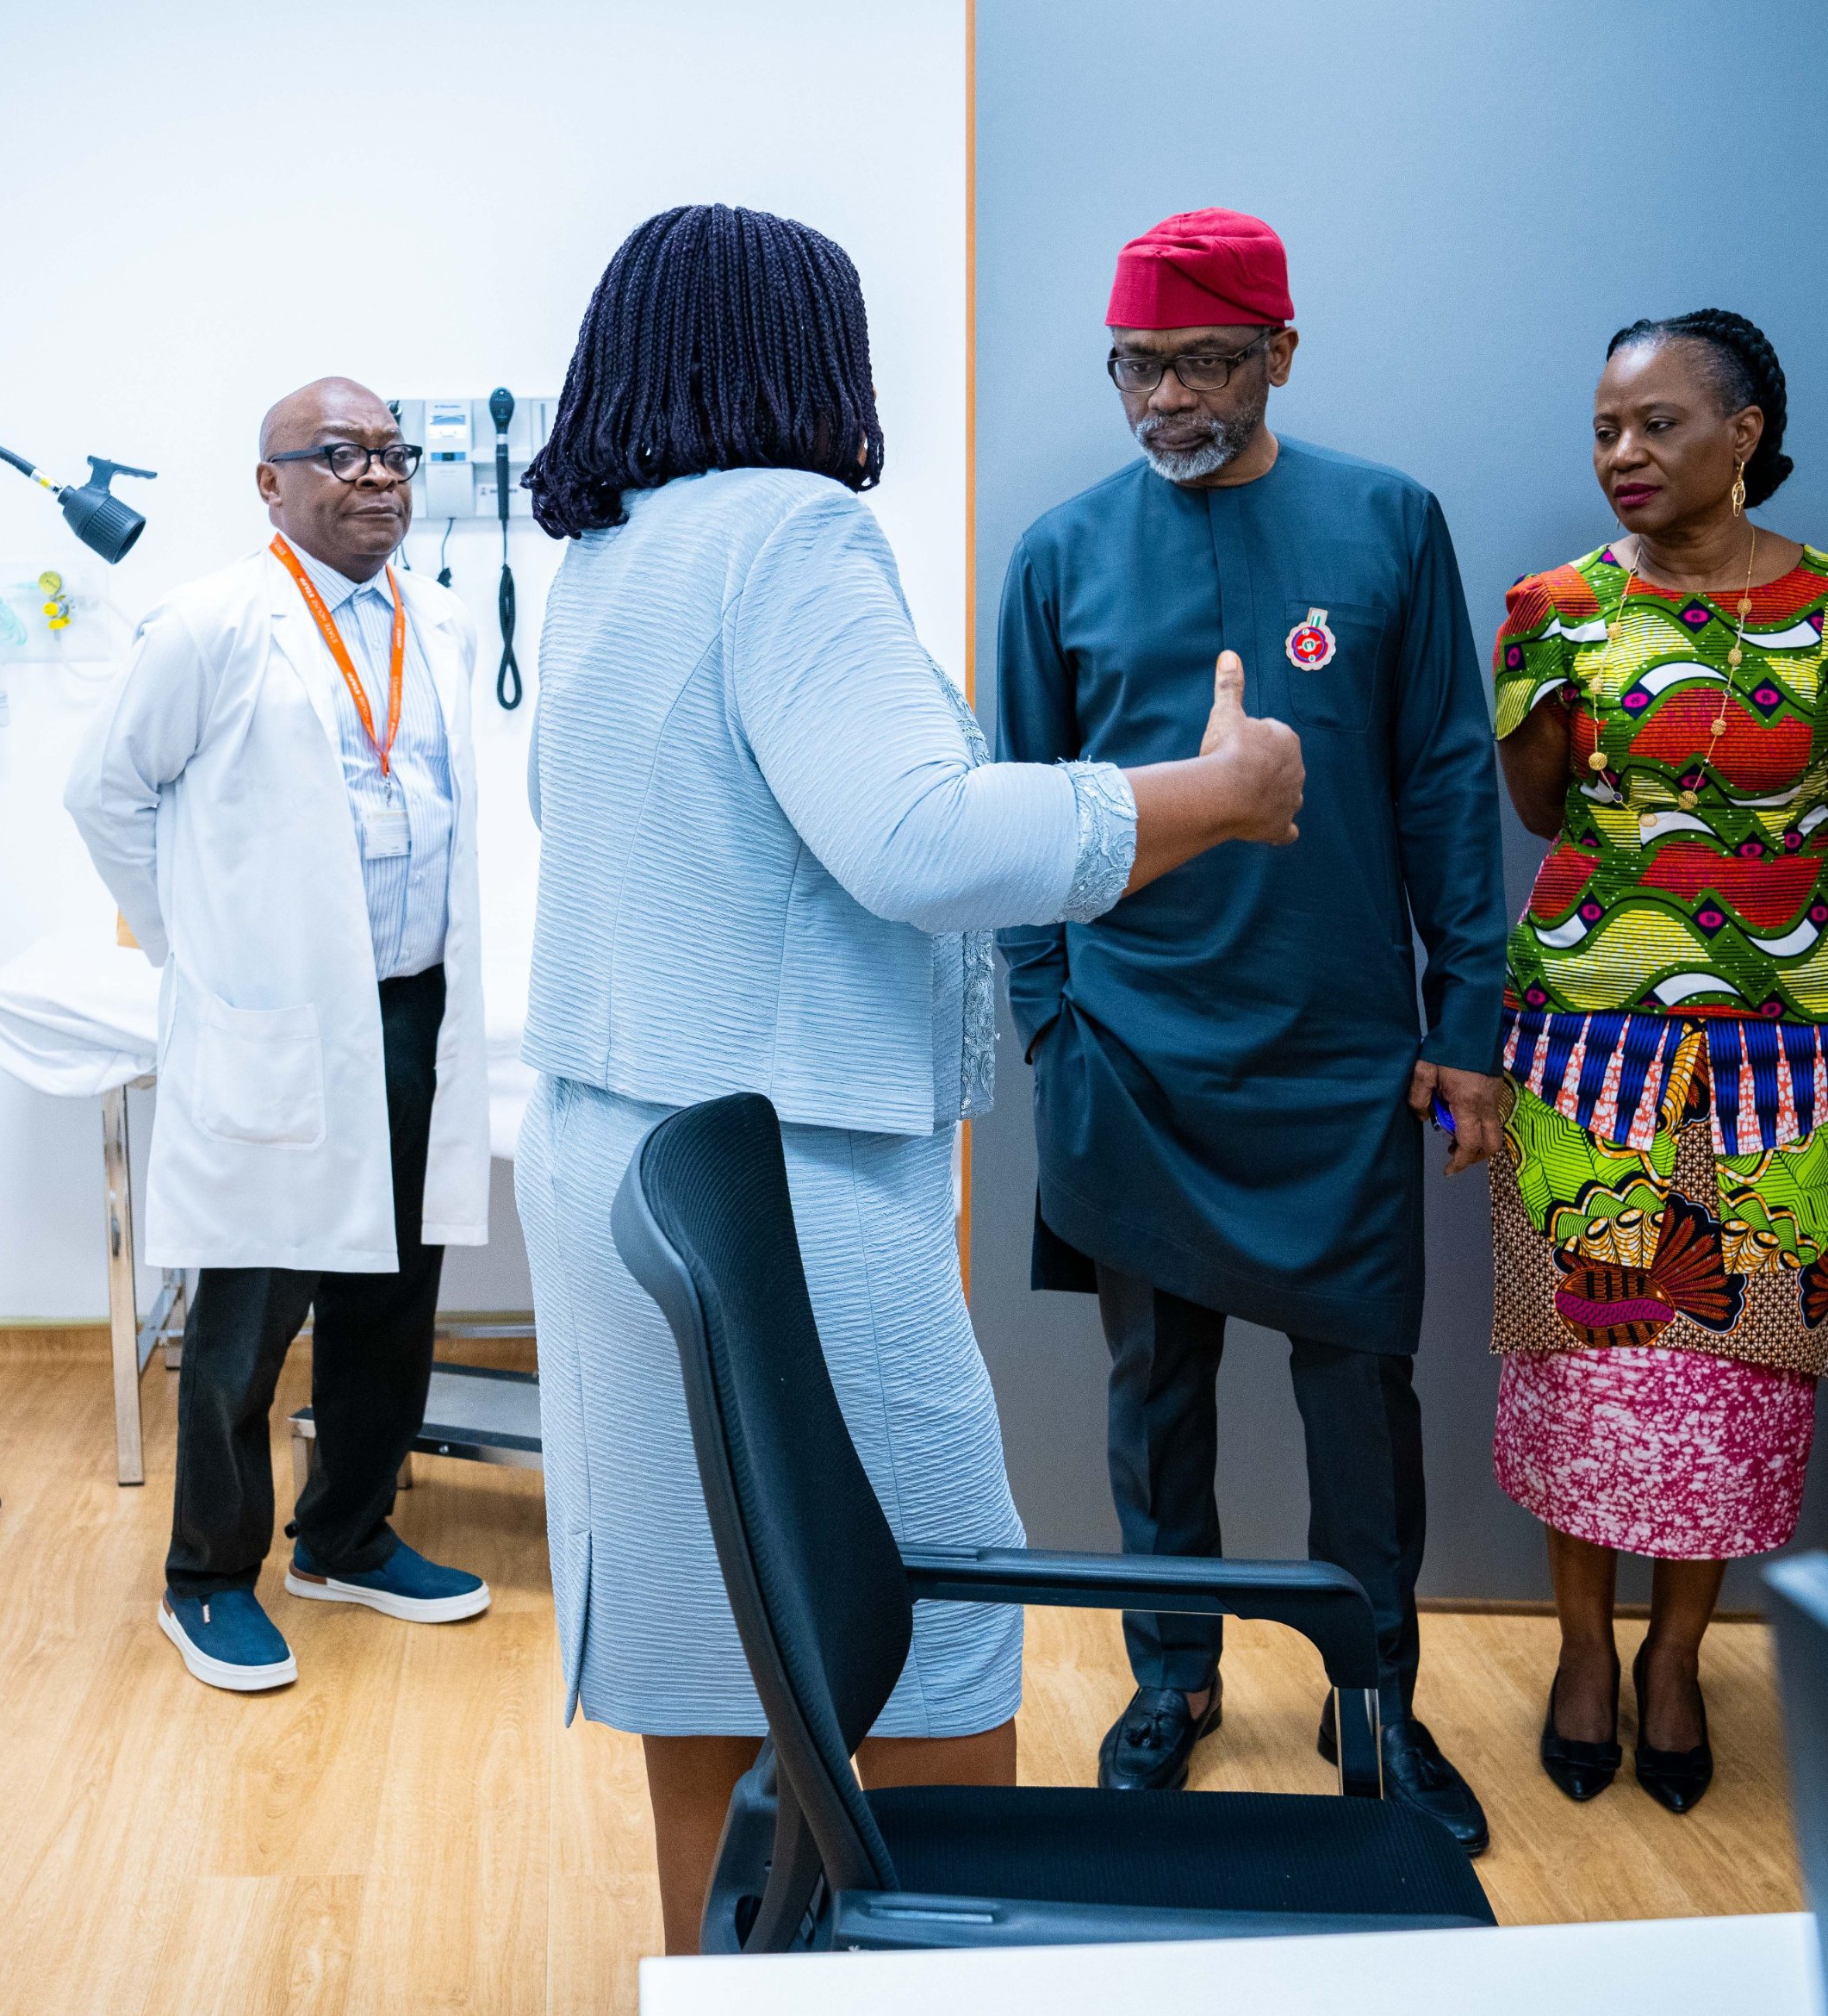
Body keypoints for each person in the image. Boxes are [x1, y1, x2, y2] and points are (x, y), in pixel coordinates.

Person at [514, 202, 1305, 1955]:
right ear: (807, 352)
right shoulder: (793, 532)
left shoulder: (611, 556)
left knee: (709, 1631)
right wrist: (1214, 796)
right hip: (787, 1188)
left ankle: (723, 1986)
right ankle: (951, 1982)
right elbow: (920, 839)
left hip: (626, 1172)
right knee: (930, 1622)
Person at [989, 208, 1507, 1851]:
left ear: (1281, 351)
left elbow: (1443, 778)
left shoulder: (1387, 524)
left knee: (1366, 1404)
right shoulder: (1061, 554)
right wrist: (1051, 1025)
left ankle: (1378, 1707)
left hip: (1340, 1051)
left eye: (1202, 361)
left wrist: (1469, 1020)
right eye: (1136, 365)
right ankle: (1173, 1681)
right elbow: (1019, 810)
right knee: (1156, 1401)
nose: (1162, 400)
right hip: (1132, 1052)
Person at [66, 376, 494, 1693]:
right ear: (271, 484)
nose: (376, 478)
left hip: (414, 1005)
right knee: (250, 1312)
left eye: (392, 454)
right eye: (339, 455)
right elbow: (105, 795)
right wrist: (196, 943)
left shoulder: (439, 621)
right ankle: (206, 1577)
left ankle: (348, 1536)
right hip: (282, 1021)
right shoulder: (209, 625)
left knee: (393, 1295)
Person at [1490, 310, 1828, 1815]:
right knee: (1588, 1351)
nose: (1621, 456)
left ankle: (1679, 1655)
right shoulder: (1554, 604)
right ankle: (1584, 1649)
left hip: (1787, 1057)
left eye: (1656, 425)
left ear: (1744, 433)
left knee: (1740, 1364)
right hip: (1588, 1045)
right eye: (1603, 431)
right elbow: (1536, 813)